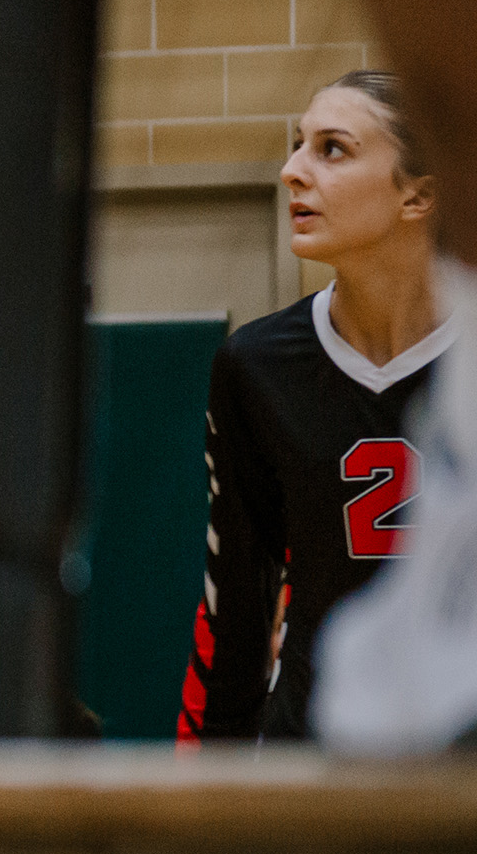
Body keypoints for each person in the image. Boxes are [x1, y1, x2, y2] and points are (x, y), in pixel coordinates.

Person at [180, 71, 454, 746]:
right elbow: (237, 603)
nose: (291, 171)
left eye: (332, 149)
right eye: (298, 144)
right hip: (318, 748)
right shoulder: (256, 366)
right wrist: (210, 788)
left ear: (419, 192)